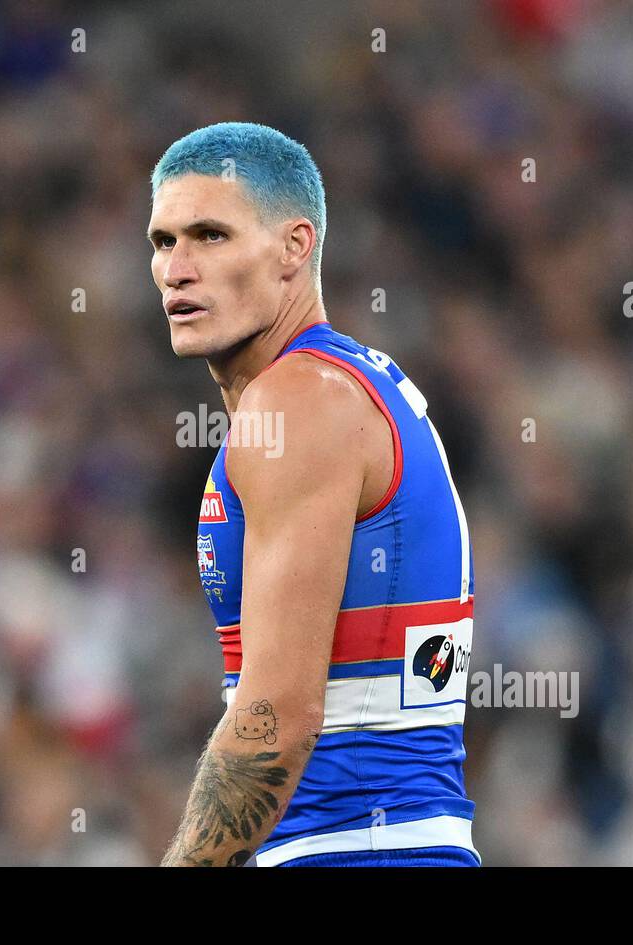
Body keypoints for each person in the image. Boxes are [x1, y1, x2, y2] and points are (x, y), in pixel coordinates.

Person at [148, 122, 479, 867]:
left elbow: (276, 718)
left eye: (210, 235)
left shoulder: (296, 403)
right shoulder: (340, 388)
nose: (177, 269)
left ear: (296, 247)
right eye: (163, 242)